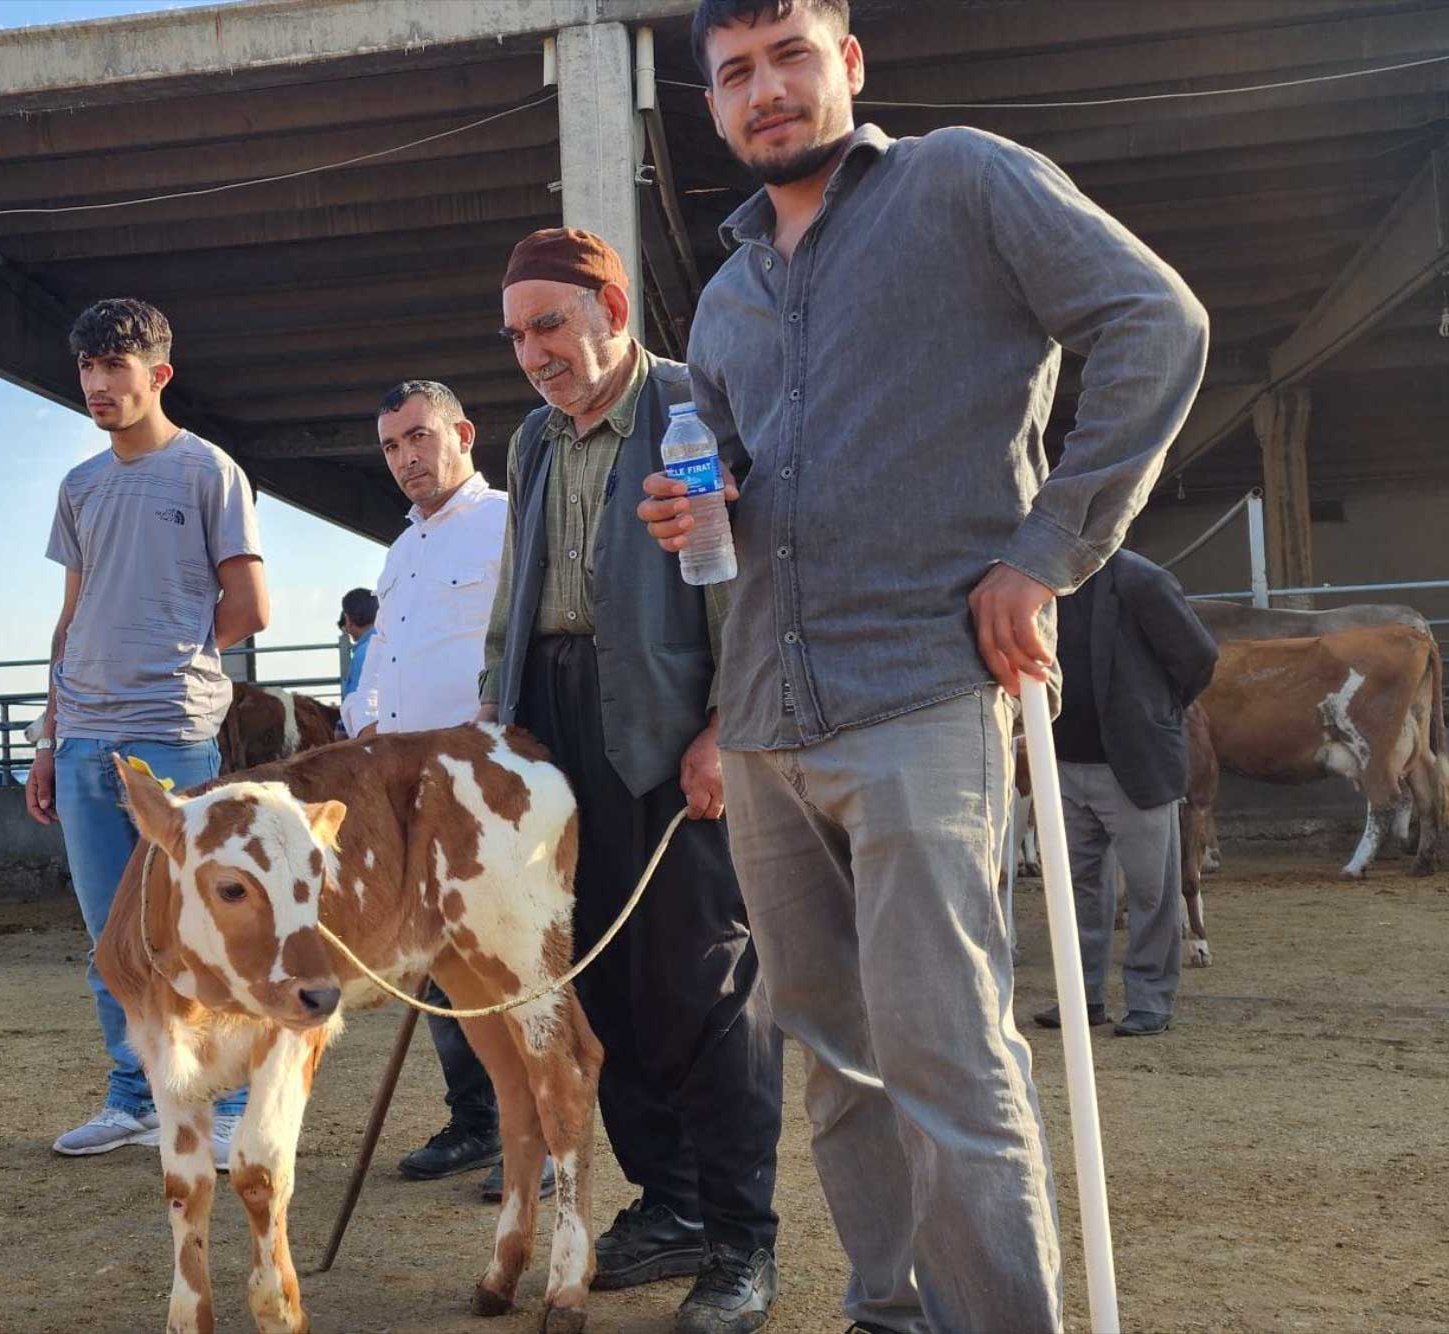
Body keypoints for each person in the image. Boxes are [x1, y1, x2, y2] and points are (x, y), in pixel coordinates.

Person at [637, 3, 1209, 1329]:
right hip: (773, 713)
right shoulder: (721, 300)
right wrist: (697, 515)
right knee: (837, 1065)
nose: (764, 91)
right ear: (713, 105)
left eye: (789, 56)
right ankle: (887, 1311)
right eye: (734, 75)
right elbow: (727, 501)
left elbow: (1156, 325)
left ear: (848, 62)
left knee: (946, 1057)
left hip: (925, 687)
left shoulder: (962, 179)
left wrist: (1049, 551)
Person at [484, 227, 783, 1334]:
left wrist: (721, 724)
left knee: (702, 986)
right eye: (516, 333)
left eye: (549, 324)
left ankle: (739, 1243)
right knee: (598, 982)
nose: (532, 352)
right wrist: (498, 710)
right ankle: (665, 1202)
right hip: (554, 727)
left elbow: (733, 578)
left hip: (664, 721)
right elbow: (519, 586)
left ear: (610, 307)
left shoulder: (686, 408)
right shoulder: (529, 439)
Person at [27, 298, 268, 1165]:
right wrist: (48, 733)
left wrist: (170, 659)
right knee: (111, 939)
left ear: (157, 374)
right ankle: (132, 1097)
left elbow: (249, 607)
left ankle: (229, 1099)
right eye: (87, 370)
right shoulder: (80, 486)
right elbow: (70, 618)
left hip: (168, 734)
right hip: (83, 731)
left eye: (115, 369)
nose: (97, 385)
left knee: (194, 928)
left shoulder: (208, 471)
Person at [341, 382, 528, 1198]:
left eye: (418, 438)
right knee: (436, 963)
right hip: (402, 785)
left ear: (463, 432)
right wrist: (363, 725)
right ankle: (474, 1119)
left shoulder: (508, 522)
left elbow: (525, 639)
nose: (406, 459)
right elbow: (382, 659)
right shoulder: (401, 549)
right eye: (391, 447)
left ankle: (541, 1136)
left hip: (484, 782)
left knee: (509, 962)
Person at [1035, 551, 1217, 1038]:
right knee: (1077, 892)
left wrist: (1155, 711)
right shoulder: (1038, 577)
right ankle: (1082, 997)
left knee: (1151, 892)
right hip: (1064, 762)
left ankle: (1150, 999)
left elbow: (1198, 658)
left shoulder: (1142, 579)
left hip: (1134, 764)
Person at [334, 588, 377, 737]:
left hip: (369, 731)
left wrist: (342, 727)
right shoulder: (387, 643)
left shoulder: (363, 653)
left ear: (348, 619)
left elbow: (357, 697)